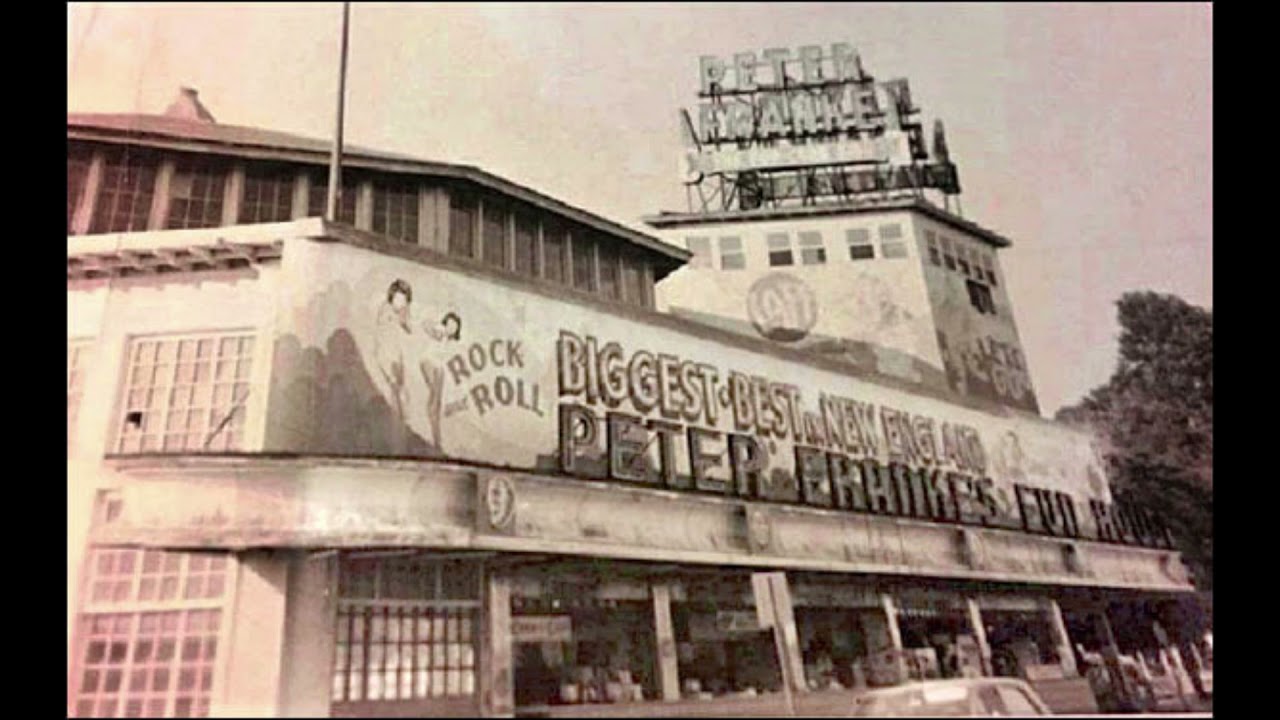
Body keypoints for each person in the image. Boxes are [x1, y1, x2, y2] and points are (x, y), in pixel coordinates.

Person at [374, 279, 457, 451]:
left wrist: (430, 329)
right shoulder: (387, 313)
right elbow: (387, 340)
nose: (401, 304)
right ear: (392, 298)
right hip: (389, 358)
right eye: (398, 300)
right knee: (398, 393)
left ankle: (407, 435)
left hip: (400, 358)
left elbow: (413, 326)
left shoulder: (404, 314)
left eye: (403, 301)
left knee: (405, 396)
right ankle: (398, 439)